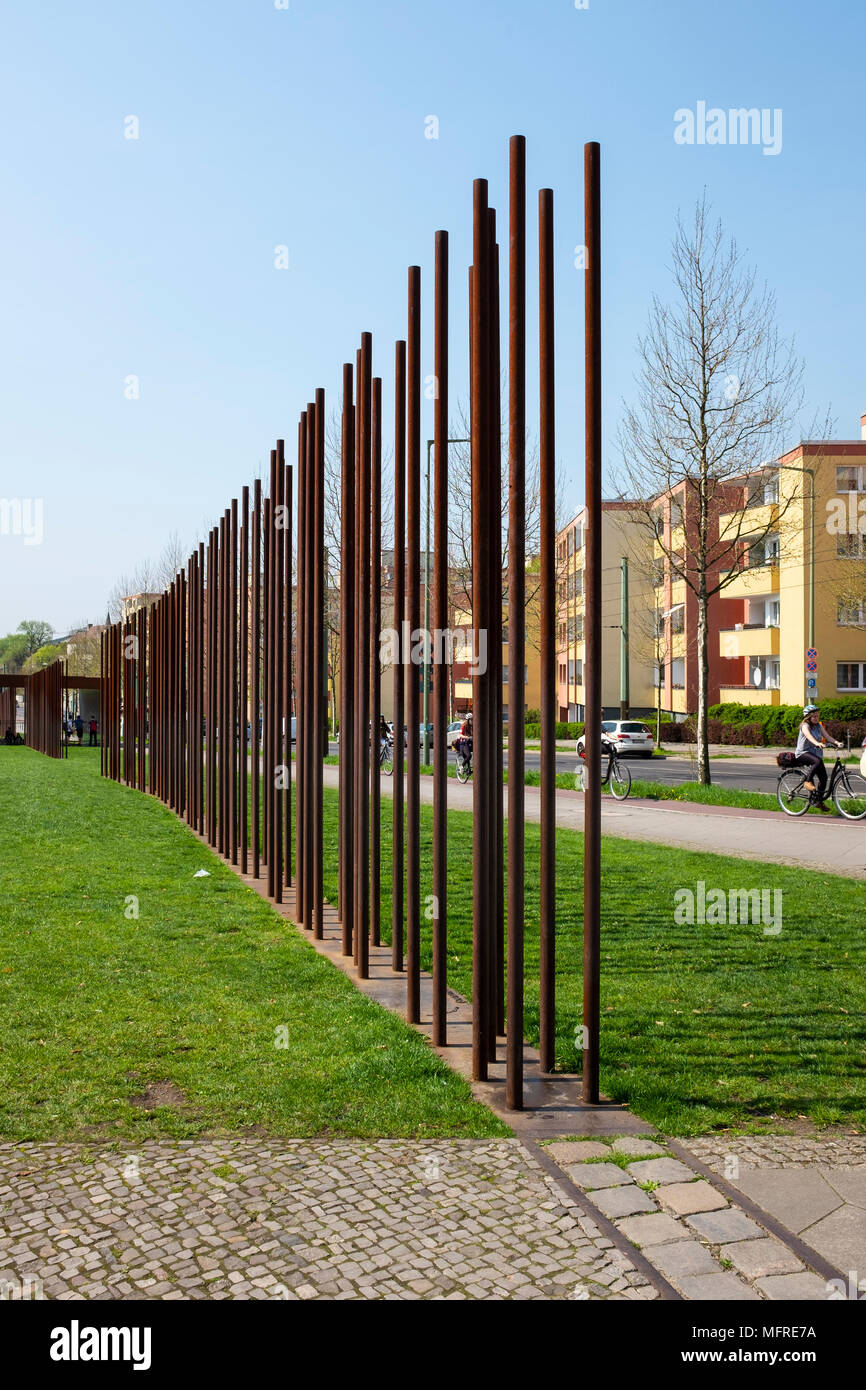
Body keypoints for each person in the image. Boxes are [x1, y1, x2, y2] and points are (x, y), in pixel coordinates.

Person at [795, 703, 842, 806]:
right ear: (808, 717)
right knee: (817, 761)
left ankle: (818, 801)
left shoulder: (818, 726)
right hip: (803, 753)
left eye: (817, 716)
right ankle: (807, 781)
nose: (817, 718)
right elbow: (808, 736)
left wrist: (837, 742)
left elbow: (827, 736)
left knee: (824, 778)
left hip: (815, 754)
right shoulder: (805, 726)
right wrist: (817, 743)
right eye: (814, 716)